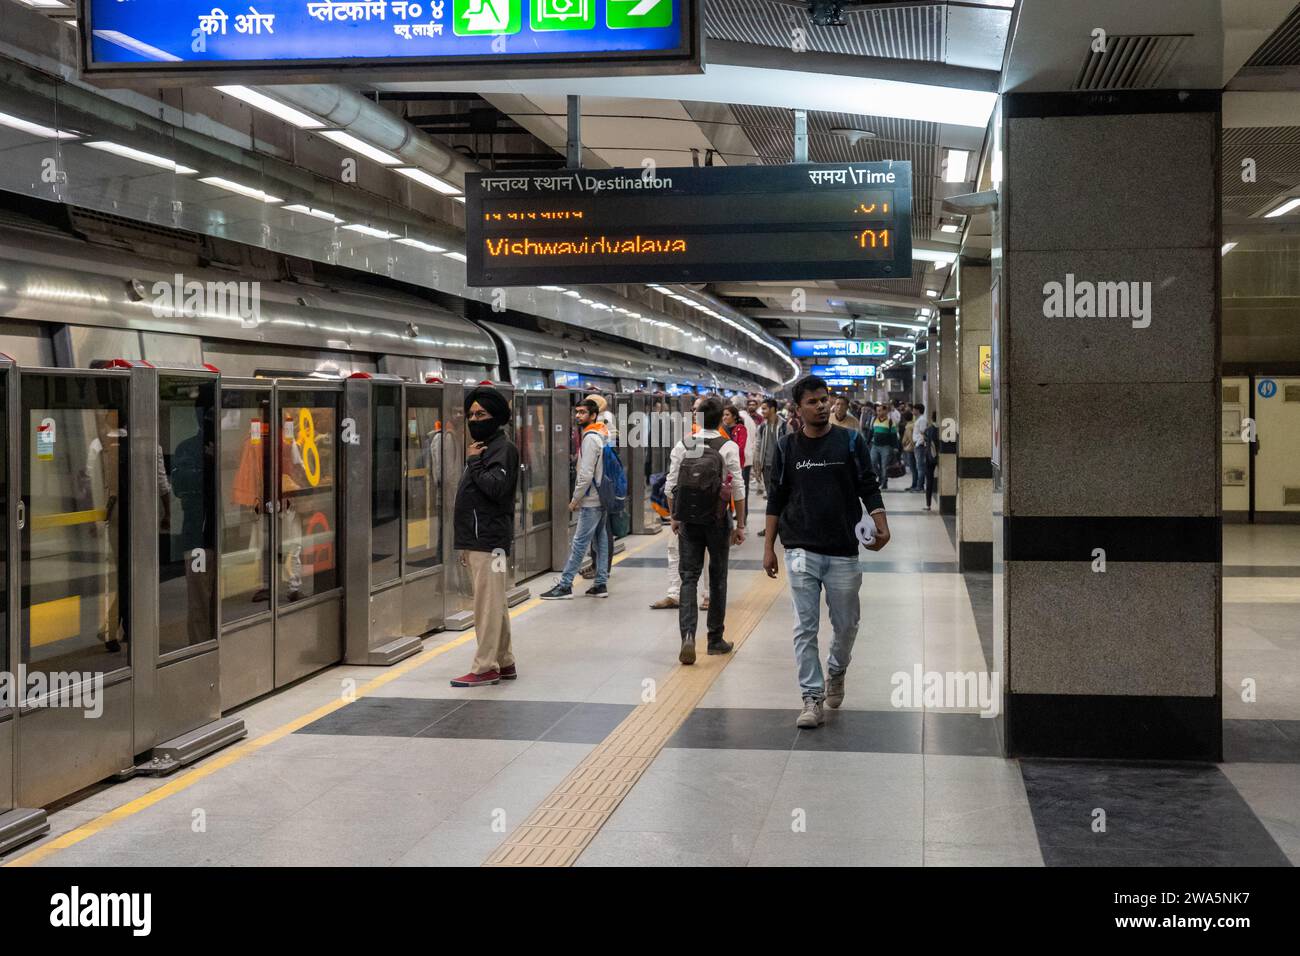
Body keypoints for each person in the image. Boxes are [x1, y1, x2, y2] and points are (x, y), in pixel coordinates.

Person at [763, 375, 890, 729]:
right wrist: (768, 547)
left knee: (846, 623)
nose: (821, 406)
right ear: (798, 408)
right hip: (800, 547)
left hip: (843, 549)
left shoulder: (850, 441)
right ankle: (811, 697)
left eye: (825, 400)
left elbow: (868, 485)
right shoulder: (787, 447)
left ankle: (837, 669)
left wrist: (881, 522)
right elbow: (776, 496)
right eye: (813, 401)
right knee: (805, 626)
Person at [449, 386, 521, 687]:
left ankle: (485, 667)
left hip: (488, 540)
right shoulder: (486, 446)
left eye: (481, 414)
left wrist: (474, 462)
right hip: (481, 537)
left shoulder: (500, 449)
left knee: (486, 605)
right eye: (471, 414)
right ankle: (504, 662)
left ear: (496, 418)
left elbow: (496, 488)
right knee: (495, 603)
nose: (474, 419)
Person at [667, 396, 745, 664]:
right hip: (718, 519)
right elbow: (738, 489)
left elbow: (671, 485)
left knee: (689, 577)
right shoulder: (728, 446)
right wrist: (741, 524)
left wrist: (674, 517)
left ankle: (688, 636)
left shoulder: (683, 444)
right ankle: (714, 640)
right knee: (718, 576)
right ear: (721, 418)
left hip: (688, 519)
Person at [541, 399, 611, 600]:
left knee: (580, 542)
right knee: (600, 539)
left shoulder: (590, 438)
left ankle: (565, 585)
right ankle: (600, 583)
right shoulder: (603, 433)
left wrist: (575, 499)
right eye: (577, 412)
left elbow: (586, 474)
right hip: (603, 495)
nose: (578, 416)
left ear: (593, 415)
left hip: (592, 498)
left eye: (582, 412)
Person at [580, 393, 617, 581]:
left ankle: (600, 567)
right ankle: (600, 567)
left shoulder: (603, 425)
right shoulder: (603, 424)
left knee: (601, 529)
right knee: (601, 529)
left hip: (600, 483)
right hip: (602, 481)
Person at [722, 404, 749, 519]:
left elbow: (740, 447)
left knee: (739, 490)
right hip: (723, 465)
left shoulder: (741, 429)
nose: (724, 417)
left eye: (727, 415)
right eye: (723, 415)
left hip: (737, 464)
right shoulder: (722, 429)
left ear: (734, 416)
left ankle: (741, 516)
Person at [866, 403, 900, 491]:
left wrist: (895, 447)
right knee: (872, 463)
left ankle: (884, 482)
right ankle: (880, 477)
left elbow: (894, 436)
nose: (878, 412)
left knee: (884, 466)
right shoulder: (874, 420)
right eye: (877, 411)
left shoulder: (890, 421)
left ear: (885, 411)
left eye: (880, 410)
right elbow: (871, 432)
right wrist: (867, 443)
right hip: (875, 446)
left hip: (886, 447)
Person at [753, 397, 780, 505]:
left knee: (780, 494)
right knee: (770, 494)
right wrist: (757, 466)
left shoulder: (784, 426)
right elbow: (758, 447)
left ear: (772, 409)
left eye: (764, 409)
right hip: (767, 466)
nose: (762, 411)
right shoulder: (762, 427)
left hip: (780, 465)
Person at [909, 404, 929, 492]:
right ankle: (917, 485)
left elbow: (923, 433)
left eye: (914, 409)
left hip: (920, 446)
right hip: (917, 445)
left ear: (918, 410)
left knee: (920, 467)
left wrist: (918, 443)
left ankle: (920, 486)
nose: (912, 411)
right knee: (918, 466)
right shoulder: (919, 419)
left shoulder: (922, 420)